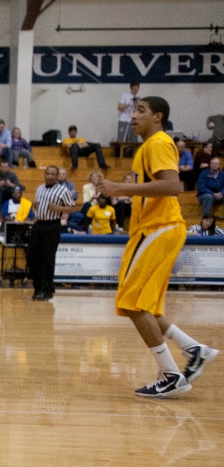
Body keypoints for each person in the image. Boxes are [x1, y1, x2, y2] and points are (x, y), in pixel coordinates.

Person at [95, 96, 218, 397]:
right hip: (153, 230)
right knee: (143, 306)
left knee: (132, 303)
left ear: (158, 117)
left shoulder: (159, 143)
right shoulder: (146, 147)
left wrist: (120, 188)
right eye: (133, 110)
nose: (134, 116)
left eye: (141, 111)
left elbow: (172, 186)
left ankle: (172, 376)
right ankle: (194, 350)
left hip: (159, 228)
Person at [28, 165, 76, 301]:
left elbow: (72, 208)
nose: (49, 176)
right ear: (45, 175)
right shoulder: (39, 189)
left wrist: (57, 208)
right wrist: (35, 206)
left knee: (47, 258)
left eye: (52, 174)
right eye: (47, 173)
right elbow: (39, 206)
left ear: (56, 176)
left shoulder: (63, 190)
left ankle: (46, 289)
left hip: (52, 225)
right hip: (39, 224)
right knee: (31, 255)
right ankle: (38, 287)